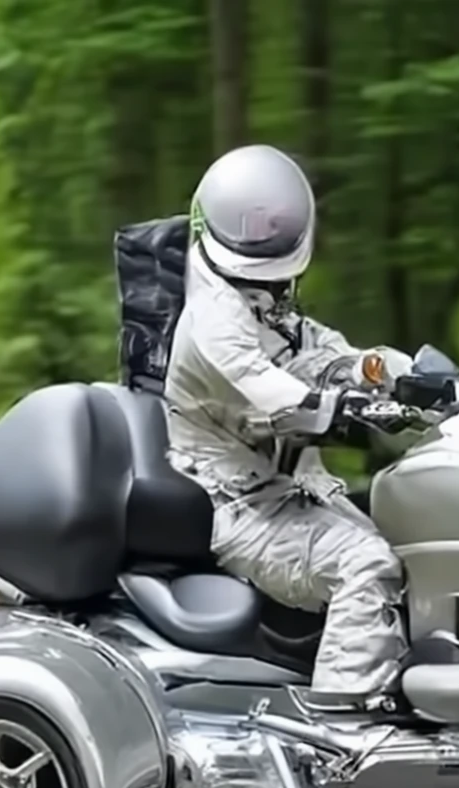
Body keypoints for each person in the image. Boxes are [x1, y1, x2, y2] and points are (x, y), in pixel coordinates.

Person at [163, 144, 411, 708]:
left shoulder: (258, 299)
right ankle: (343, 726)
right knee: (366, 564)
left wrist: (396, 373)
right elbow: (270, 390)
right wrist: (340, 407)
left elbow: (320, 350)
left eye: (274, 222)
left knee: (424, 536)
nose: (265, 230)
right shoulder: (211, 321)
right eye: (253, 223)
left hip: (292, 493)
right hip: (238, 508)